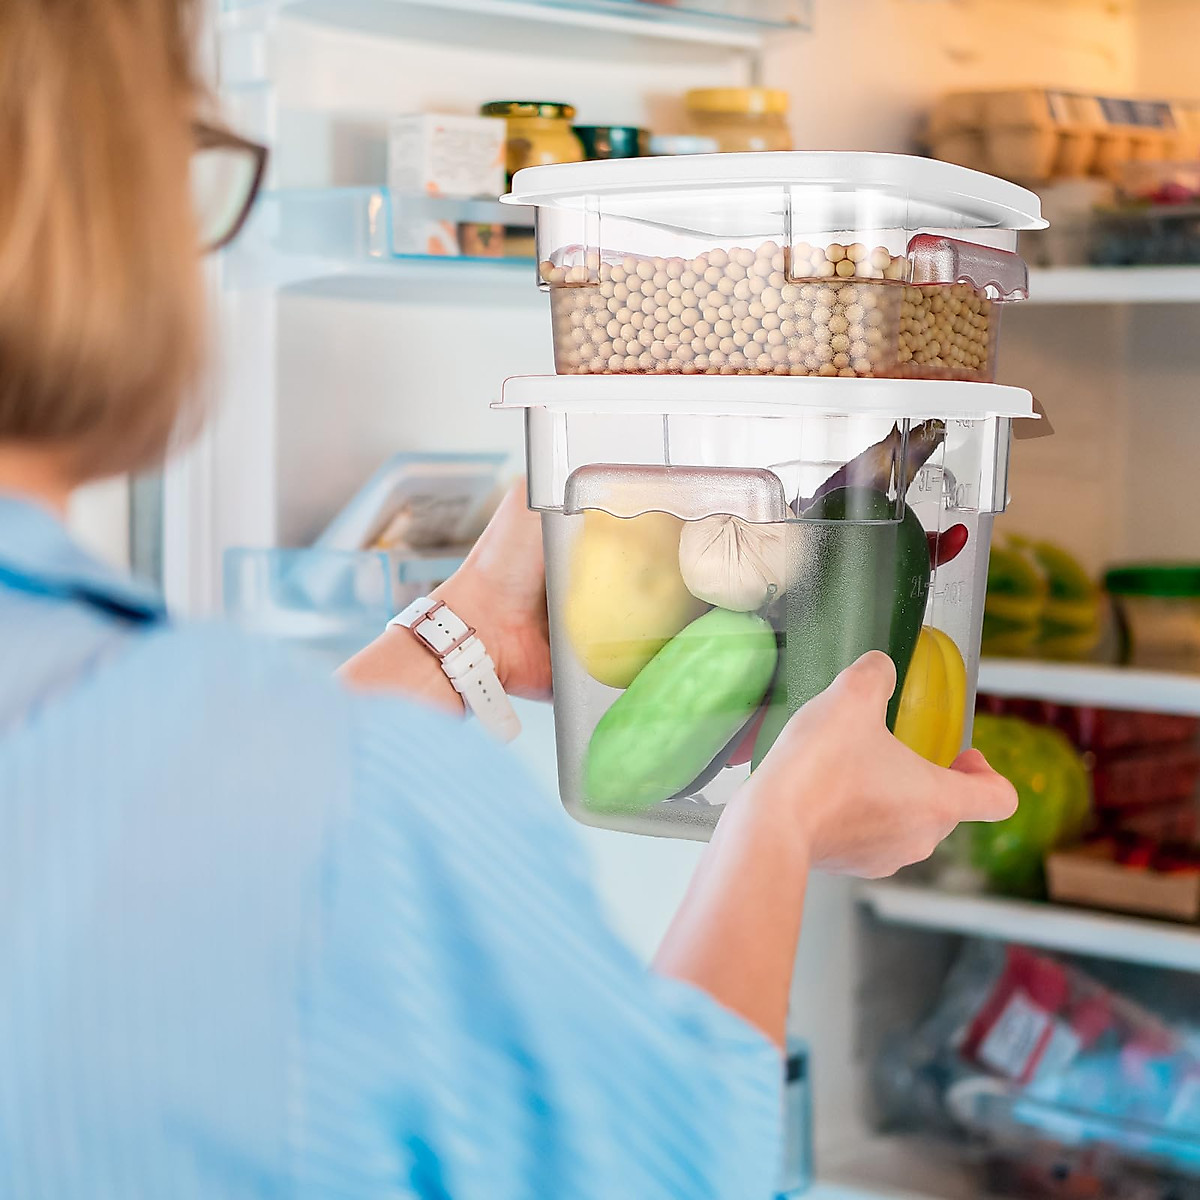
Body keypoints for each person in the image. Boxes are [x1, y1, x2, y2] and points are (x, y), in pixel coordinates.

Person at [0, 2, 1017, 1196]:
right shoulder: (354, 813)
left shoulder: (243, 783)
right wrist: (779, 825)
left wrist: (466, 630)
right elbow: (667, 1173)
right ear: (103, 217)